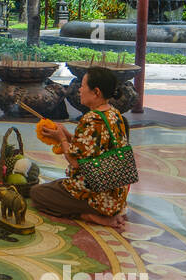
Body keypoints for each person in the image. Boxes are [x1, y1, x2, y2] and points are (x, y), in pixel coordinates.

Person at [28, 67, 132, 230]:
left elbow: (75, 162)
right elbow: (90, 146)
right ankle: (104, 212)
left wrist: (60, 138)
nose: (80, 90)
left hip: (95, 196)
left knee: (37, 193)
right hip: (115, 196)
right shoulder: (115, 114)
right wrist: (66, 135)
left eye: (83, 86)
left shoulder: (90, 119)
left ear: (96, 92)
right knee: (57, 185)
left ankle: (89, 215)